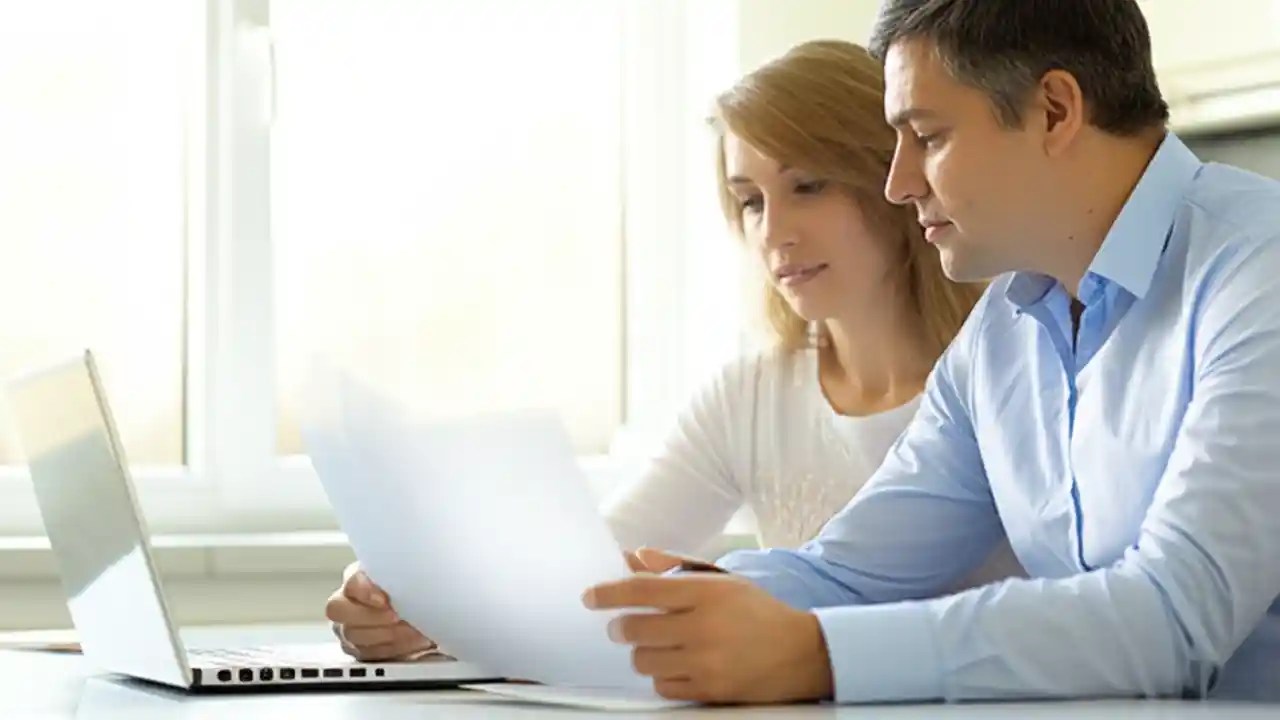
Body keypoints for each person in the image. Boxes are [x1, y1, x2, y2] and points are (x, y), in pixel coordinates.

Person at [584, 0, 1280, 706]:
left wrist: (820, 655)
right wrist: (659, 605)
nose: (899, 184)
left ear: (1054, 111)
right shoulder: (1003, 333)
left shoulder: (1259, 271)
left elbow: (1174, 618)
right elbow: (850, 571)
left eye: (927, 136)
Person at [324, 40, 1020, 663]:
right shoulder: (752, 394)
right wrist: (424, 607)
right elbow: (592, 572)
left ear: (896, 181)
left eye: (809, 187)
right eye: (749, 200)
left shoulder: (1006, 370)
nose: (774, 232)